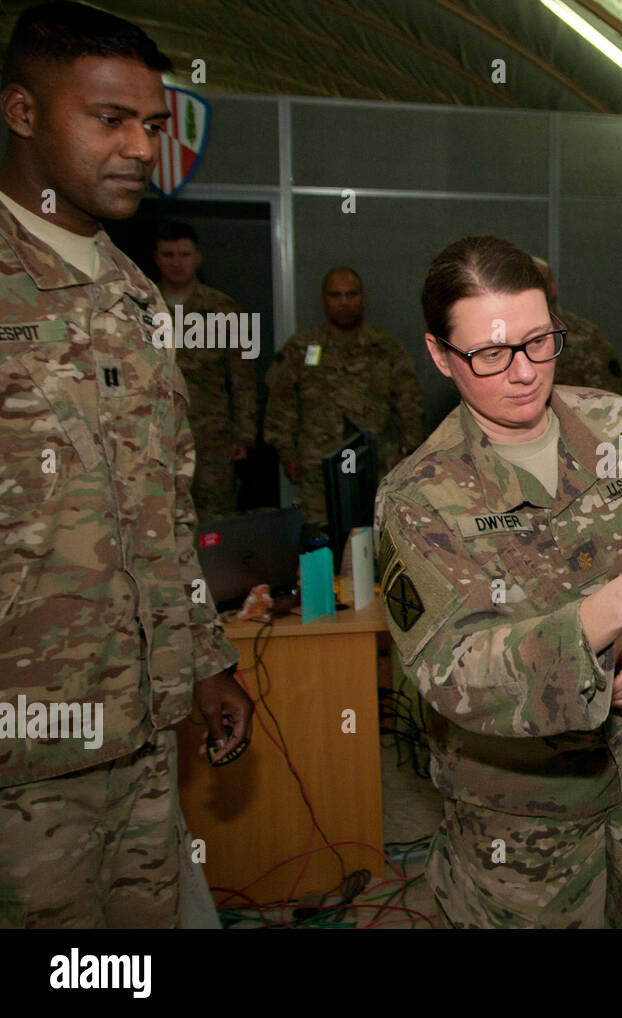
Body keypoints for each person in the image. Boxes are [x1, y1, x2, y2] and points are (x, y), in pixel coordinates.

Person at [375, 235, 622, 927]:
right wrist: (616, 605)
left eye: (541, 341)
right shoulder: (419, 496)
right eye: (490, 353)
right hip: (524, 816)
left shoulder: (619, 426)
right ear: (438, 354)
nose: (524, 373)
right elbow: (454, 670)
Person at [0, 1, 252, 928]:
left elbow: (165, 515)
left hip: (141, 740)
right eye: (108, 120)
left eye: (152, 125)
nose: (142, 149)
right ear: (22, 113)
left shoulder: (132, 293)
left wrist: (206, 663)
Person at [264, 266, 424, 530]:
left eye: (351, 294)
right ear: (324, 300)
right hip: (318, 468)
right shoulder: (302, 347)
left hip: (375, 466)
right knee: (319, 539)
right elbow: (281, 404)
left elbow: (409, 402)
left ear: (362, 298)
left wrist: (408, 451)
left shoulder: (385, 347)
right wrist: (287, 453)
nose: (344, 302)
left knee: (376, 537)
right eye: (335, 295)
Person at [154, 220, 258, 520]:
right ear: (157, 258)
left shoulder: (224, 309)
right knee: (160, 517)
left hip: (212, 438)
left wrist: (244, 435)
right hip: (157, 435)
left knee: (215, 519)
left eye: (184, 255)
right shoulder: (140, 304)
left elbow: (242, 378)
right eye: (168, 255)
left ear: (197, 257)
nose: (177, 263)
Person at [531, 256, 622, 394]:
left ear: (553, 287)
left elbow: (608, 394)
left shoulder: (585, 336)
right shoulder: (501, 331)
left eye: (540, 282)